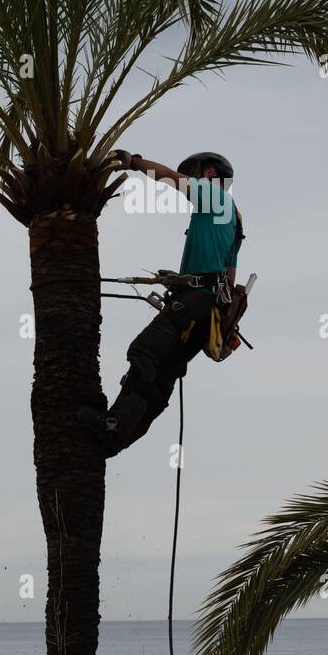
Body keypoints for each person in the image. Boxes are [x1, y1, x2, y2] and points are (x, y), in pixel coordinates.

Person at [78, 151, 244, 456]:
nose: (193, 180)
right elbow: (228, 279)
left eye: (196, 175)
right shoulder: (234, 220)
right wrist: (182, 279)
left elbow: (171, 179)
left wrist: (135, 163)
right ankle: (117, 440)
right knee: (165, 373)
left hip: (194, 304)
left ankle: (113, 425)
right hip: (208, 313)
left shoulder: (215, 195)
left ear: (209, 173)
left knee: (145, 352)